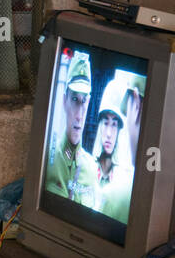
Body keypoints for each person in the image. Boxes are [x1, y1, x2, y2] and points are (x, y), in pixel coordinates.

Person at [44, 54, 97, 208]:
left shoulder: (92, 169)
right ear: (64, 100)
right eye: (74, 99)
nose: (79, 115)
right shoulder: (47, 157)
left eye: (84, 101)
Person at [92, 79, 135, 222]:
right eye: (106, 123)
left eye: (115, 125)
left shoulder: (124, 180)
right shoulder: (85, 167)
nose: (109, 133)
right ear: (100, 126)